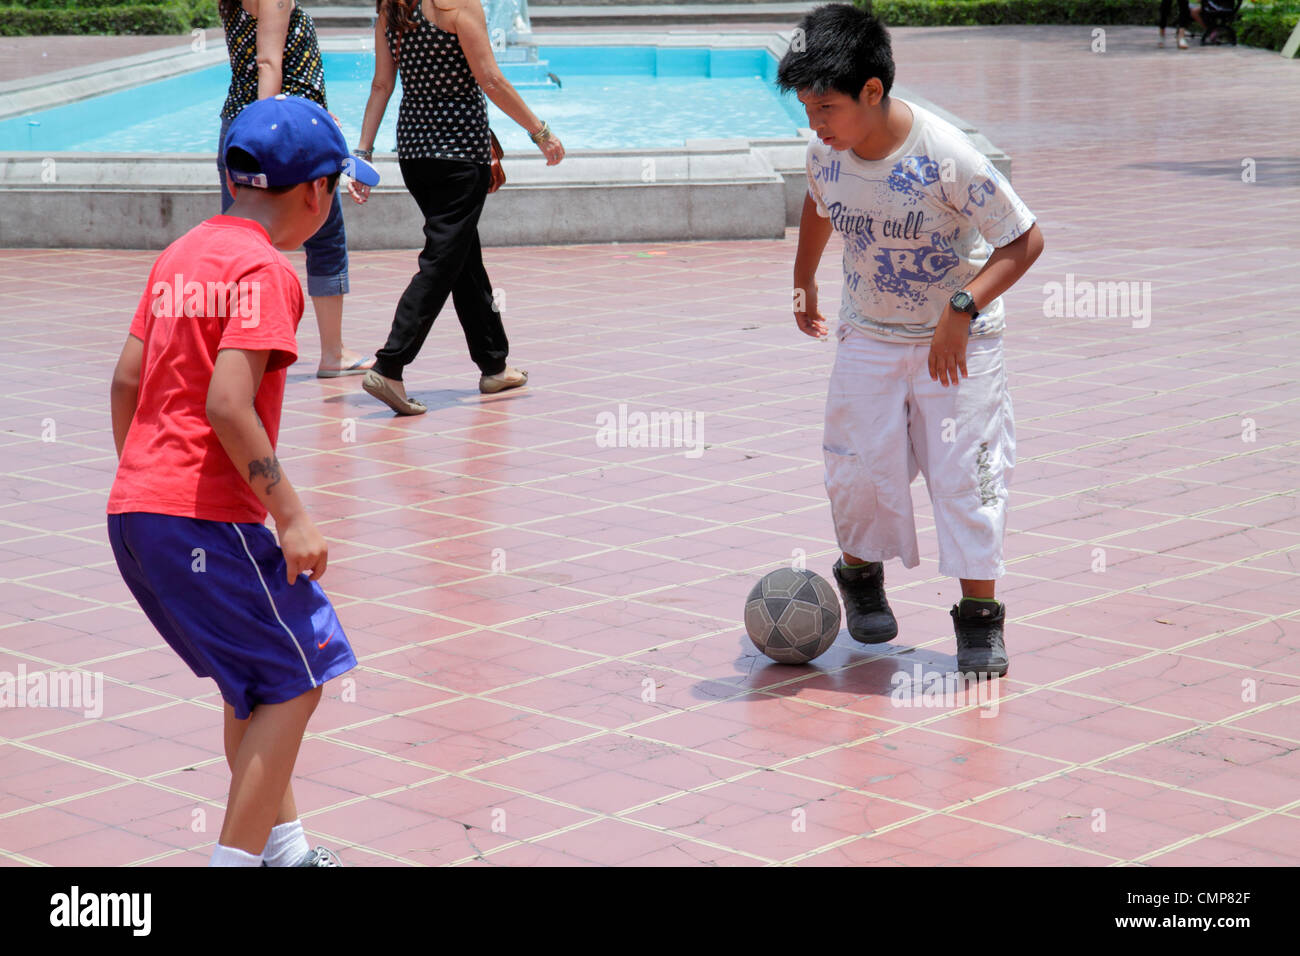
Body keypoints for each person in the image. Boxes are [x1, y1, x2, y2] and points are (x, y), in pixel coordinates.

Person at [107, 95, 380, 866]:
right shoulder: (266, 270)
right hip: (202, 519)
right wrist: (291, 516)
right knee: (302, 676)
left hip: (136, 514)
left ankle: (286, 851)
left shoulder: (182, 253)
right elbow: (228, 402)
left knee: (254, 687)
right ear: (315, 194)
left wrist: (147, 477)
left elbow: (127, 383)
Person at [781, 5, 1044, 677]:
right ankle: (860, 575)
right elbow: (818, 204)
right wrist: (804, 275)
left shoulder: (947, 156)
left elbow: (1024, 240)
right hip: (868, 333)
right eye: (808, 108)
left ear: (874, 91)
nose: (817, 123)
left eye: (828, 107)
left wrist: (963, 305)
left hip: (959, 347)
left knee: (968, 476)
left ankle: (980, 619)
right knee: (859, 468)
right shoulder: (826, 152)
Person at [350, 0, 565, 416]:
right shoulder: (460, 7)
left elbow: (381, 85)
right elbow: (491, 79)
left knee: (462, 255)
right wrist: (540, 131)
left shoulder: (393, 10)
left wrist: (364, 152)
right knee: (441, 262)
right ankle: (390, 365)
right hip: (459, 158)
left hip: (414, 154)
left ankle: (493, 365)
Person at [217, 0, 373, 377]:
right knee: (325, 237)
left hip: (241, 128)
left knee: (240, 242)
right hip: (283, 135)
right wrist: (271, 128)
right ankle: (331, 353)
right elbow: (269, 64)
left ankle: (230, 350)